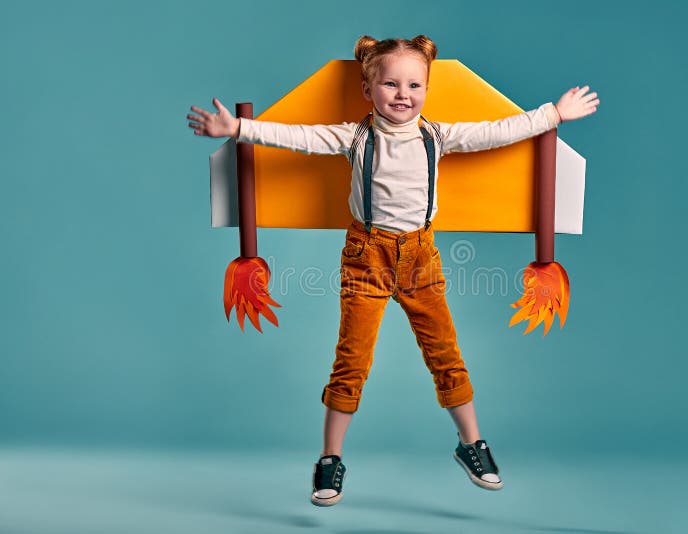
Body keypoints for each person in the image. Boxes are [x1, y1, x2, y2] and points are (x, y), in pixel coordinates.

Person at [187, 34, 599, 507]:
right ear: (368, 89)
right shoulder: (355, 137)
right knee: (351, 361)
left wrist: (554, 114)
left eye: (414, 85)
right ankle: (329, 458)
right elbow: (297, 137)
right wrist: (237, 127)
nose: (403, 94)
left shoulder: (436, 137)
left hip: (421, 259)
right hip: (366, 257)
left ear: (426, 89)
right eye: (390, 84)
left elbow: (497, 131)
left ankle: (472, 444)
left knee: (445, 354)